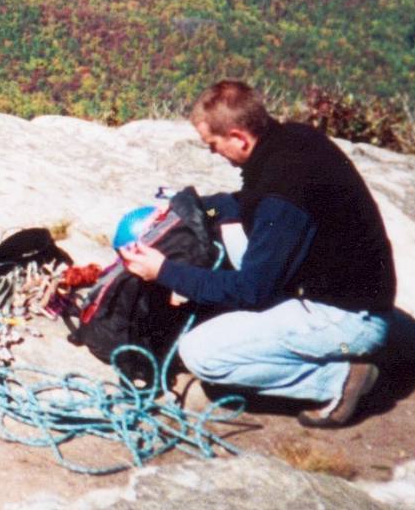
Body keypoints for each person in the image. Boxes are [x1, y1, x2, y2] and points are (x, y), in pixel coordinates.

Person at [116, 80, 397, 427]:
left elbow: (252, 289)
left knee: (201, 354)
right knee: (225, 232)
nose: (213, 152)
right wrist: (191, 209)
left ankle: (342, 378)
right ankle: (256, 328)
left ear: (239, 138)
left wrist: (164, 272)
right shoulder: (290, 141)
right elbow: (247, 205)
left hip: (349, 317)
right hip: (333, 283)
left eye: (213, 145)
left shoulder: (283, 197)